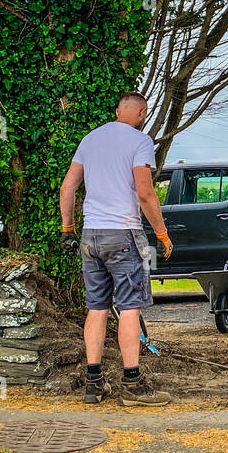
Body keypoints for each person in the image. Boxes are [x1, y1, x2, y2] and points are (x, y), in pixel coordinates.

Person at [58, 91, 174, 406]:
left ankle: (93, 385)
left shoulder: (90, 139)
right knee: (129, 307)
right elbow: (145, 193)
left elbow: (68, 186)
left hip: (90, 234)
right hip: (123, 233)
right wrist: (162, 234)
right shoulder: (140, 141)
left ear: (117, 110)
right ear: (141, 113)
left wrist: (68, 228)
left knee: (96, 308)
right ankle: (132, 384)